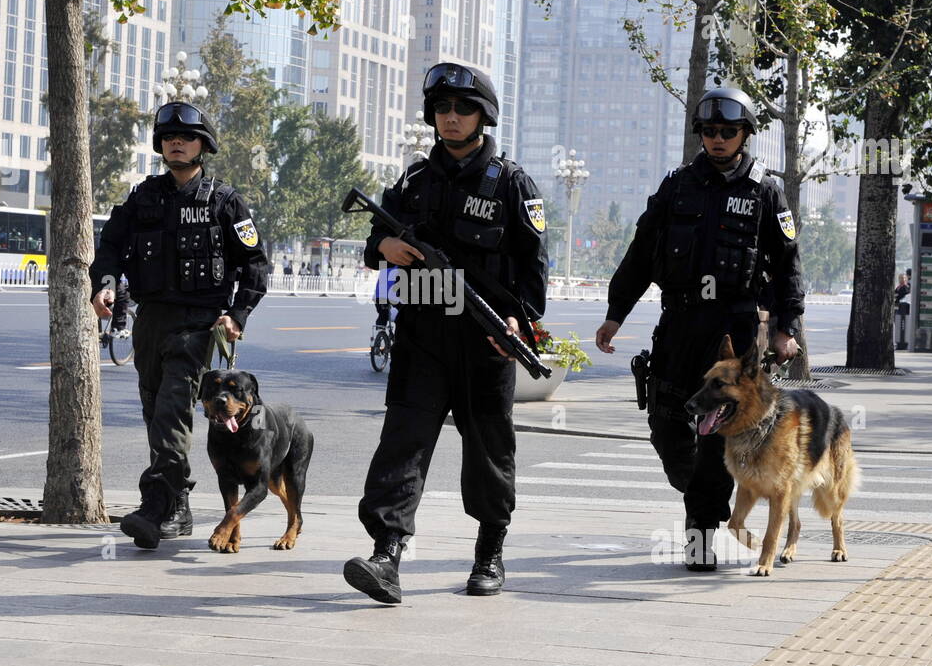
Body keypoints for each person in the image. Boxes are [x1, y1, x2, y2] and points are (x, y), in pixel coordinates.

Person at [342, 62, 548, 603]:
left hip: (486, 340)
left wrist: (518, 322)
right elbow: (374, 242)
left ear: (484, 116)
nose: (451, 118)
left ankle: (490, 552)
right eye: (442, 109)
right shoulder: (412, 180)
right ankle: (387, 555)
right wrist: (382, 248)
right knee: (402, 444)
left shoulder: (510, 181)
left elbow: (533, 265)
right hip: (422, 336)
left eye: (463, 109)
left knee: (488, 450)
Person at [594, 85, 804, 571]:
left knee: (714, 436)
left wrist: (785, 327)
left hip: (731, 330)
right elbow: (641, 252)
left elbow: (789, 265)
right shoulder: (677, 185)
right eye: (709, 131)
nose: (717, 139)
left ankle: (702, 532)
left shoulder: (765, 191)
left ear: (744, 135)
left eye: (727, 132)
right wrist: (615, 312)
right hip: (679, 324)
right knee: (667, 429)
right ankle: (702, 498)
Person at [89, 101, 269, 549]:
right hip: (150, 319)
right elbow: (110, 246)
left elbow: (256, 264)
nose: (176, 143)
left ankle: (156, 506)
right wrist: (105, 285)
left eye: (186, 137)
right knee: (155, 412)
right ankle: (179, 507)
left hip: (199, 322)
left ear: (202, 145)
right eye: (169, 137)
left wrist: (238, 313)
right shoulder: (142, 198)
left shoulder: (225, 202)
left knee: (171, 410)